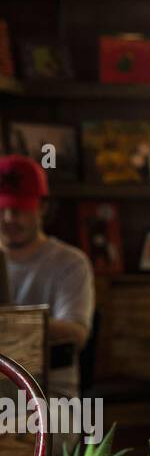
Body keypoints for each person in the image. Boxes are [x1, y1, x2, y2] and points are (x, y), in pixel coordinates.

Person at [0, 155, 94, 401]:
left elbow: (77, 333)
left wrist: (14, 324)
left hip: (51, 394)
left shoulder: (71, 262)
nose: (9, 218)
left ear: (42, 207)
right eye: (2, 208)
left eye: (19, 209)